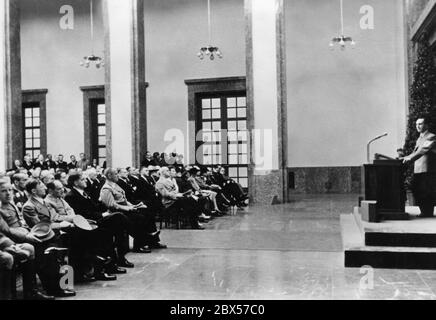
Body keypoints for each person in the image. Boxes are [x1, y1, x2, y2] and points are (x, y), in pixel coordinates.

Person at [65, 172, 131, 274]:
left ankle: (114, 262)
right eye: (82, 179)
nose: (85, 181)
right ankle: (111, 264)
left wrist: (101, 204)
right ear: (76, 182)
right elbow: (81, 213)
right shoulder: (71, 195)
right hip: (87, 223)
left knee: (117, 223)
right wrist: (101, 215)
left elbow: (94, 207)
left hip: (95, 219)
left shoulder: (84, 193)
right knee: (117, 220)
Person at [100, 168, 166, 254]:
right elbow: (112, 205)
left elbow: (124, 199)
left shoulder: (115, 185)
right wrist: (127, 208)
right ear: (109, 176)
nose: (117, 176)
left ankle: (150, 239)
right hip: (116, 213)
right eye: (116, 174)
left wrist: (133, 206)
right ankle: (142, 242)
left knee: (146, 213)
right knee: (139, 218)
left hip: (123, 209)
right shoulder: (106, 188)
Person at [403, 116, 436, 217]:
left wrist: (409, 158)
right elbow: (415, 152)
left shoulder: (431, 136)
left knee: (426, 192)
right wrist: (405, 157)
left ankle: (427, 213)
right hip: (418, 169)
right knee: (418, 190)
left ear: (426, 125)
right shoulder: (420, 138)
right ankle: (424, 212)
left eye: (420, 124)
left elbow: (423, 150)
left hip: (427, 170)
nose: (418, 126)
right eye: (416, 124)